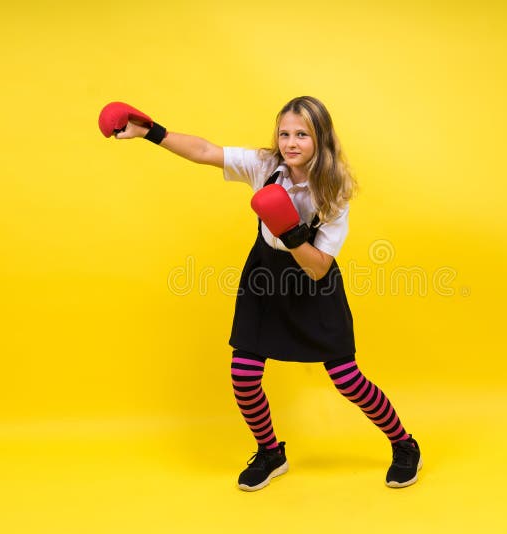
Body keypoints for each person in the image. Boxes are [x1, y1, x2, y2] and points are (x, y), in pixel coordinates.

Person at [100, 96, 421, 491]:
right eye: (284, 133)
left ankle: (404, 444)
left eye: (302, 134)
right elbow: (205, 151)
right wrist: (151, 132)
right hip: (264, 278)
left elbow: (319, 266)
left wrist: (289, 229)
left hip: (311, 284)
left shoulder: (333, 192)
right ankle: (270, 452)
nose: (291, 142)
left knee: (347, 379)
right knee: (244, 375)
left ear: (321, 138)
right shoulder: (268, 166)